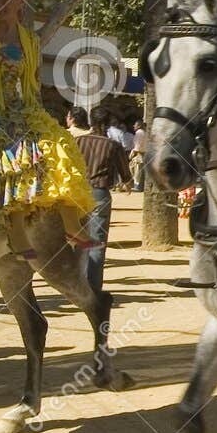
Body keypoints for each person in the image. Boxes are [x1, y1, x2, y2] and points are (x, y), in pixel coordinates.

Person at [0, 0, 96, 255]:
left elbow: (33, 82)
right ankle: (14, 229)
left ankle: (70, 221)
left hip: (24, 108)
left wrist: (35, 114)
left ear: (18, 1)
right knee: (16, 156)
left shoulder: (29, 40)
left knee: (61, 145)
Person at [67, 106, 129, 294]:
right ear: (108, 123)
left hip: (77, 194)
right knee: (96, 243)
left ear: (90, 121)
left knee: (76, 239)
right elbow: (125, 175)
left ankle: (74, 283)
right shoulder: (112, 145)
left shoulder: (77, 142)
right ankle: (92, 288)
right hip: (99, 194)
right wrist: (126, 183)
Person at [128, 118, 147, 192]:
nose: (133, 126)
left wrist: (132, 154)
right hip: (142, 153)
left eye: (135, 125)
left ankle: (138, 186)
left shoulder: (139, 133)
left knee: (137, 171)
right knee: (138, 171)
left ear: (139, 126)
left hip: (139, 154)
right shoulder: (144, 132)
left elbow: (137, 147)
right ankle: (139, 186)